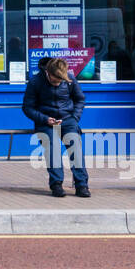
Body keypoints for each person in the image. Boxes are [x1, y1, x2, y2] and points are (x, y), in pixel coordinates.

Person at [22, 56, 89, 198]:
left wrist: (75, 118)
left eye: (60, 81)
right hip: (45, 120)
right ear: (48, 72)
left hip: (67, 119)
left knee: (75, 146)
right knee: (53, 148)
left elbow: (80, 99)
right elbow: (28, 107)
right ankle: (56, 184)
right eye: (54, 80)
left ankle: (81, 185)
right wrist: (45, 119)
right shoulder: (35, 82)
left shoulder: (69, 79)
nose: (57, 83)